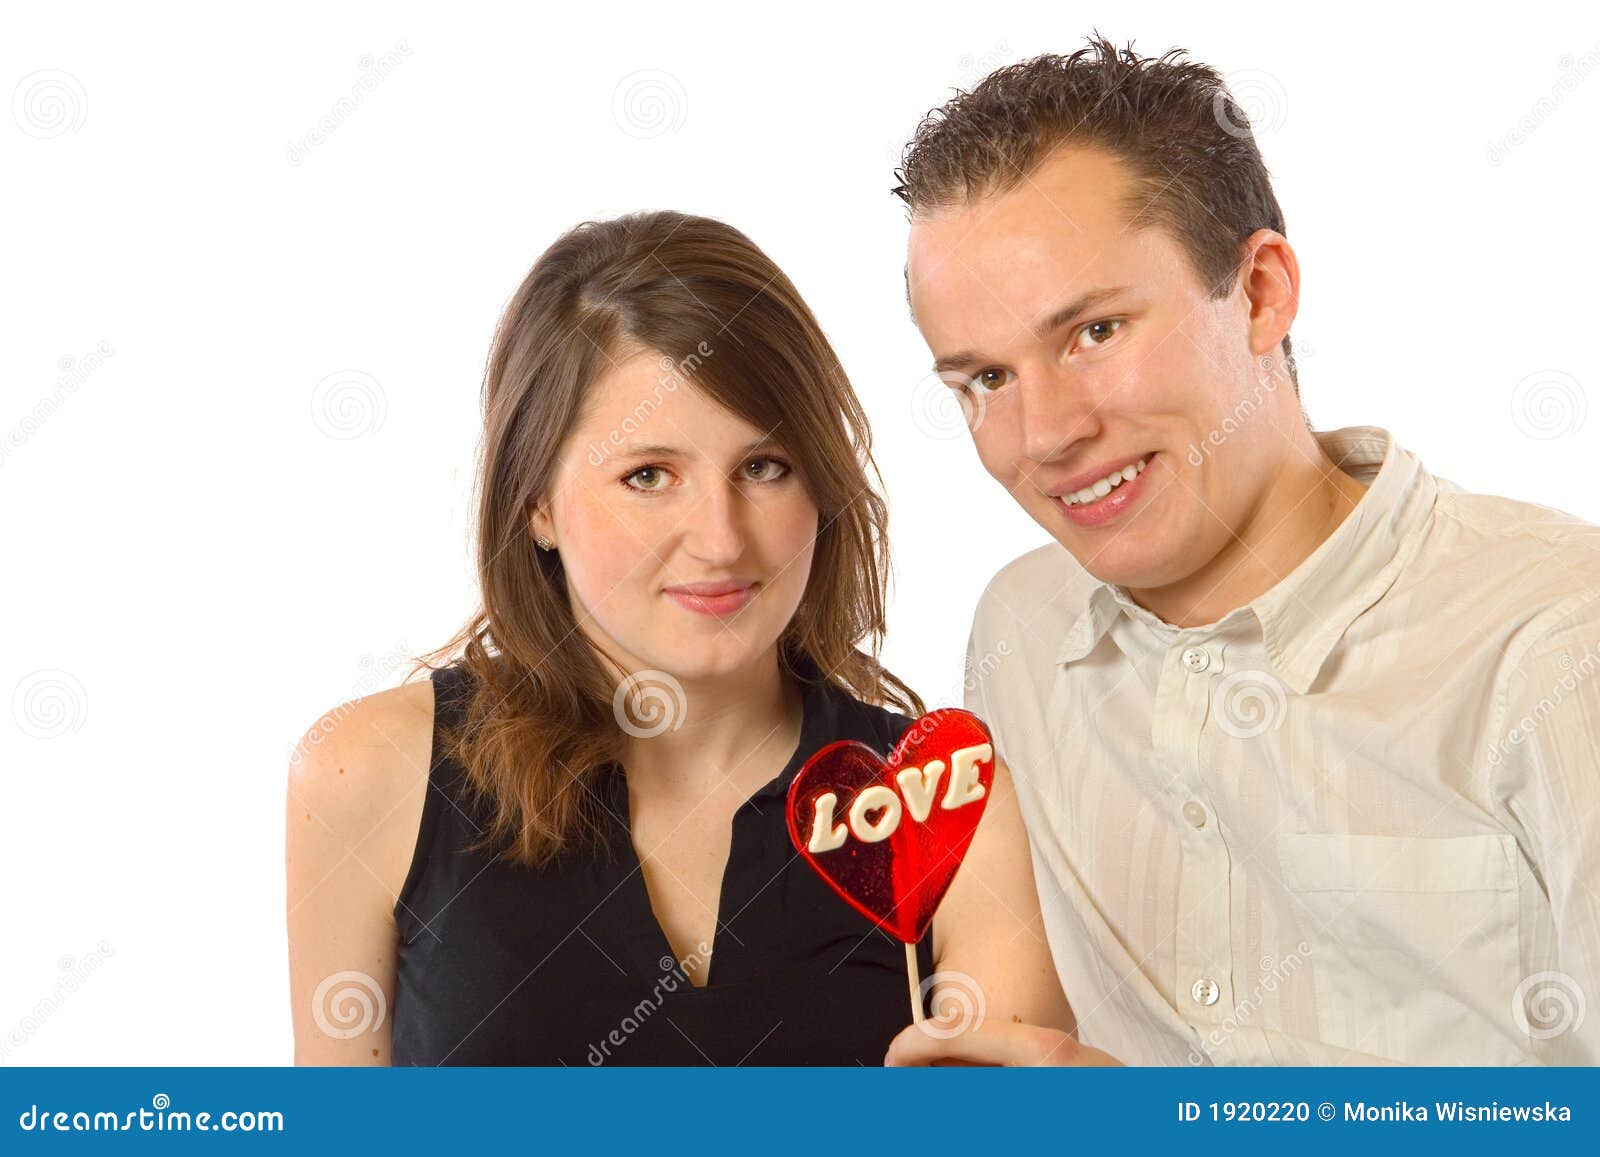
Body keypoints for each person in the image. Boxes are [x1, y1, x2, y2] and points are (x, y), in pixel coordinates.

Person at [884, 37, 1600, 1066]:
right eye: (984, 379)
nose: (1043, 433)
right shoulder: (1021, 630)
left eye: (1092, 332)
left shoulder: (1553, 638)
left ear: (1261, 292)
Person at [286, 210, 1071, 1065]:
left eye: (764, 467)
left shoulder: (944, 799)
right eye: (648, 476)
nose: (721, 539)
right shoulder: (365, 773)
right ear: (536, 502)